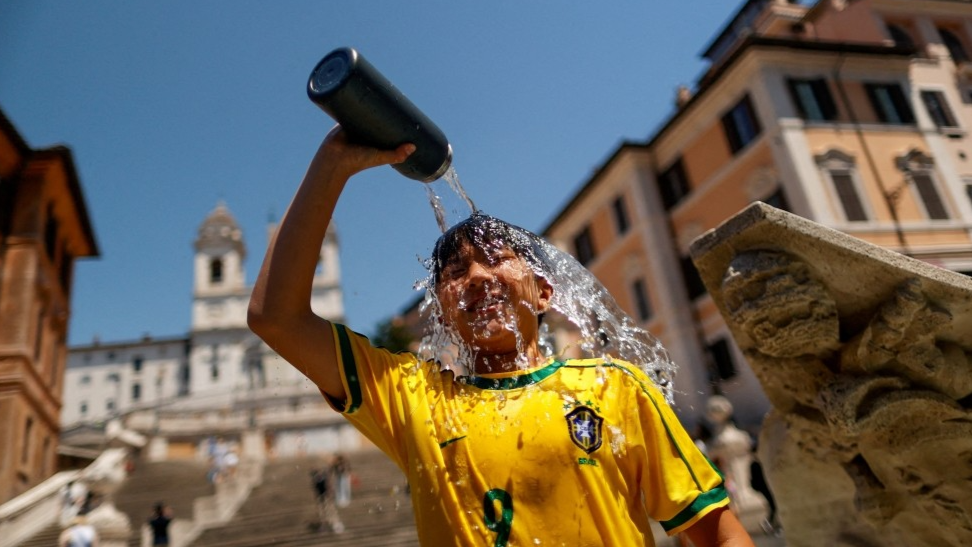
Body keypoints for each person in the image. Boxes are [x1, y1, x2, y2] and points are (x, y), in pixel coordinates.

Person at [248, 125, 755, 546]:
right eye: (454, 271)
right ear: (441, 310)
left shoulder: (615, 388)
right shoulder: (412, 398)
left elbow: (721, 535)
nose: (477, 277)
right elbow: (276, 318)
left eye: (495, 258)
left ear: (543, 292)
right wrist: (331, 164)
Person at [311, 464, 344, 533]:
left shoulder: (325, 478)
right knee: (322, 512)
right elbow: (316, 489)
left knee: (331, 511)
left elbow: (329, 487)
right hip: (321, 497)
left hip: (327, 496)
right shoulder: (316, 479)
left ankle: (335, 524)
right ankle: (324, 525)